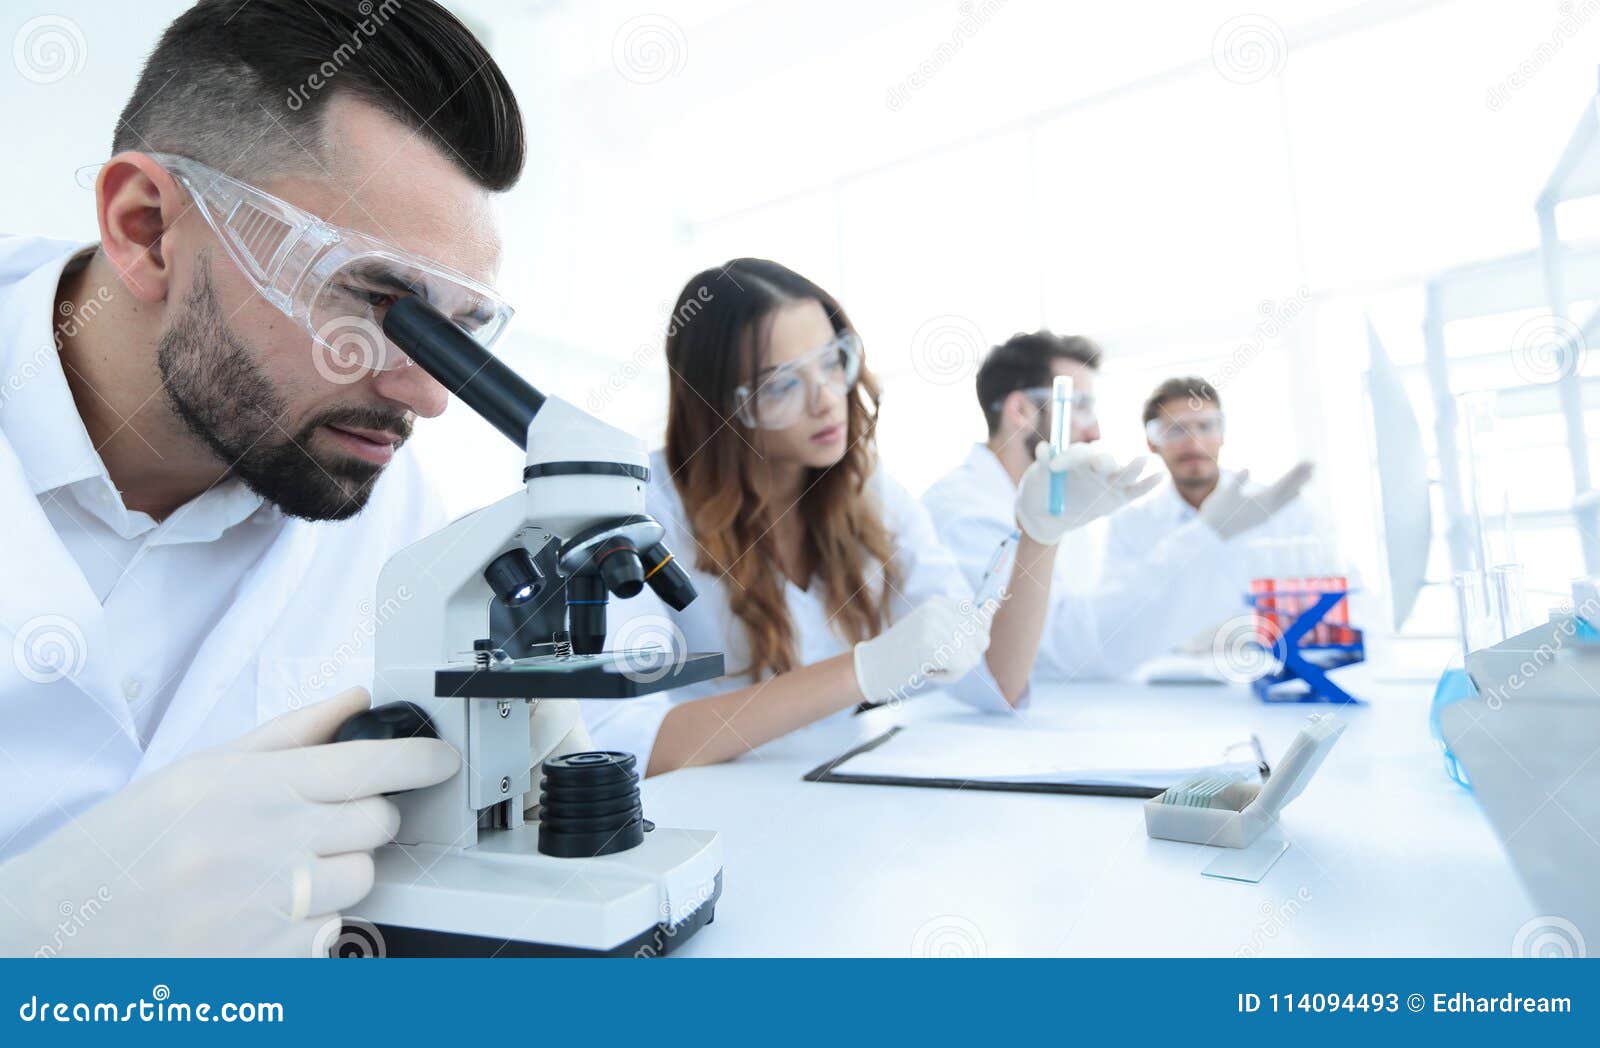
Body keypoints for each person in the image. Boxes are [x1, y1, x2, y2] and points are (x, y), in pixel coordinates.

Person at [0, 0, 533, 956]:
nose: (427, 392)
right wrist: (28, 938)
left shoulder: (390, 505)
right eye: (377, 298)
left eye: (456, 332)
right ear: (148, 229)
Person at [583, 261, 1156, 775]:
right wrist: (864, 670)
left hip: (840, 806)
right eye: (782, 383)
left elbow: (995, 682)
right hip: (709, 819)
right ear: (718, 406)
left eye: (833, 361)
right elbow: (631, 744)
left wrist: (1038, 539)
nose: (828, 399)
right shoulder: (644, 509)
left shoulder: (867, 490)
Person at [923, 334, 1312, 680]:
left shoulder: (1051, 508)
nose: (1095, 432)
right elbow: (1068, 649)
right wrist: (1205, 536)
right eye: (1080, 407)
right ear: (1022, 412)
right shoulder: (963, 512)